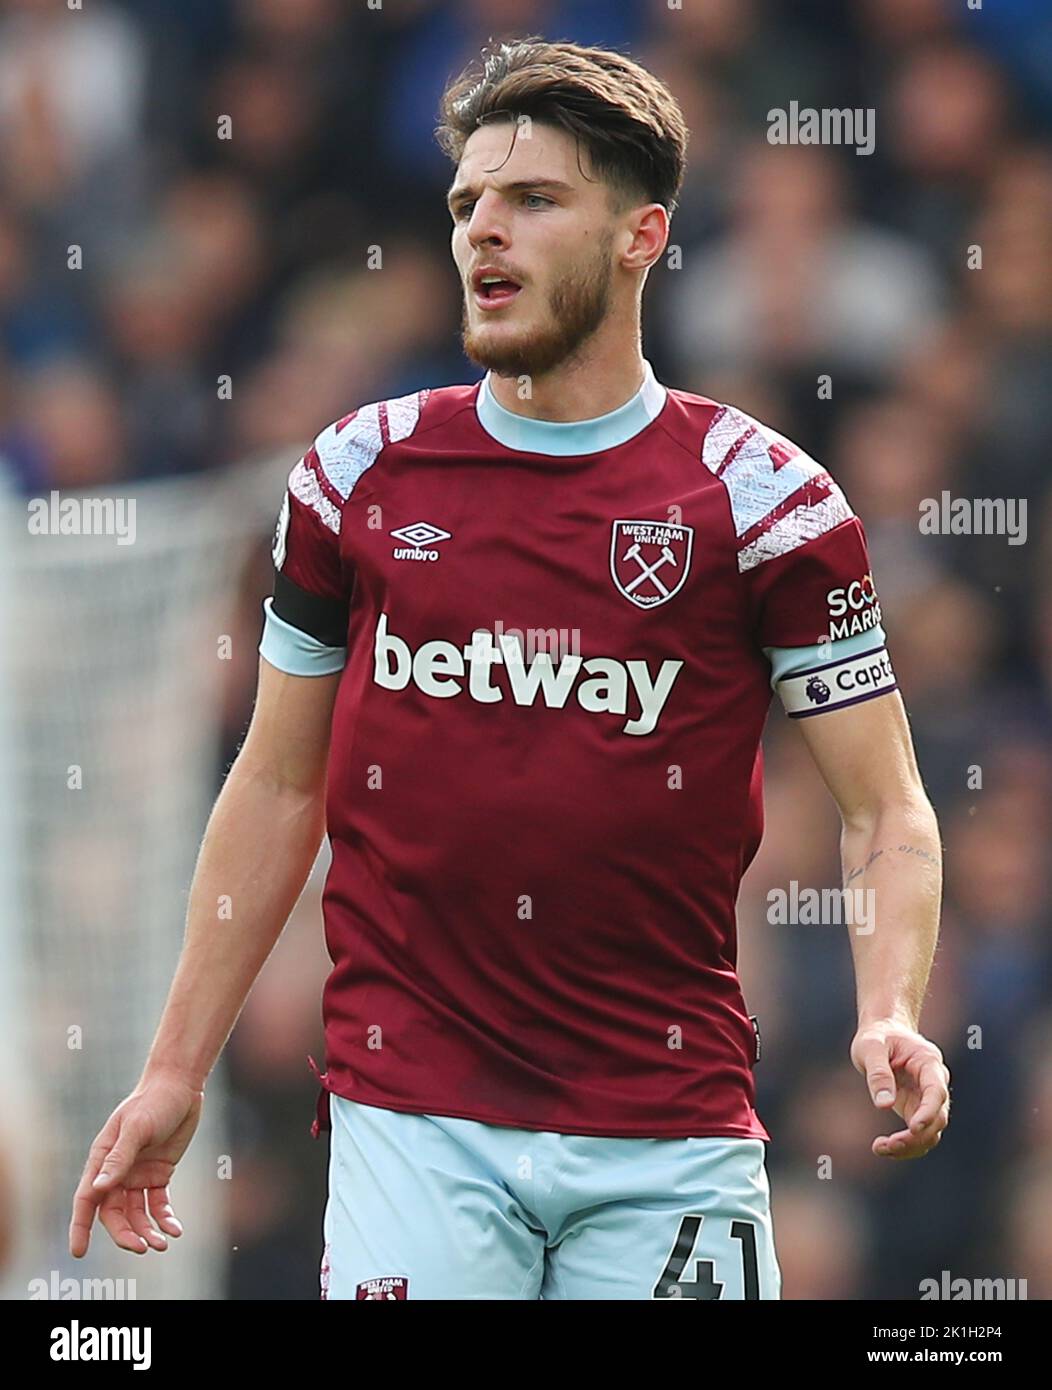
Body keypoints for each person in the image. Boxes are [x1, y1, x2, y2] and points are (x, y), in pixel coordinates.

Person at [69, 37, 950, 1300]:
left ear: (641, 236)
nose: (483, 231)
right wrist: (172, 1067)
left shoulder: (765, 501)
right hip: (411, 1117)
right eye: (465, 203)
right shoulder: (353, 477)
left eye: (533, 200)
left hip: (671, 1127)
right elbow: (274, 787)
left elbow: (885, 806)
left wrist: (885, 1010)